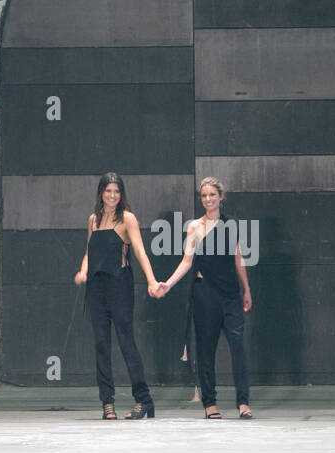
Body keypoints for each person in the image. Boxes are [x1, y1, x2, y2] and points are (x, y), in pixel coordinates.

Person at [157, 177, 253, 419]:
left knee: (238, 348)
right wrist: (168, 283)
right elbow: (187, 262)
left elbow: (238, 258)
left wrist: (246, 289)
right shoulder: (195, 227)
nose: (208, 199)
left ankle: (243, 402)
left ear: (221, 197)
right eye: (204, 196)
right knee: (206, 350)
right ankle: (210, 404)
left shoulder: (232, 224)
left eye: (212, 195)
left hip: (230, 294)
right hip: (205, 293)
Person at [73, 173, 160, 419]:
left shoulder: (127, 218)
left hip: (119, 284)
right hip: (97, 289)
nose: (112, 195)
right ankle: (107, 403)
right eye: (108, 191)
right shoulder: (93, 220)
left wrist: (152, 281)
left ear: (122, 194)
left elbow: (141, 252)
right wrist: (83, 271)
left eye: (117, 191)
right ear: (101, 192)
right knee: (101, 344)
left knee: (126, 341)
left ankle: (143, 400)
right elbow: (90, 252)